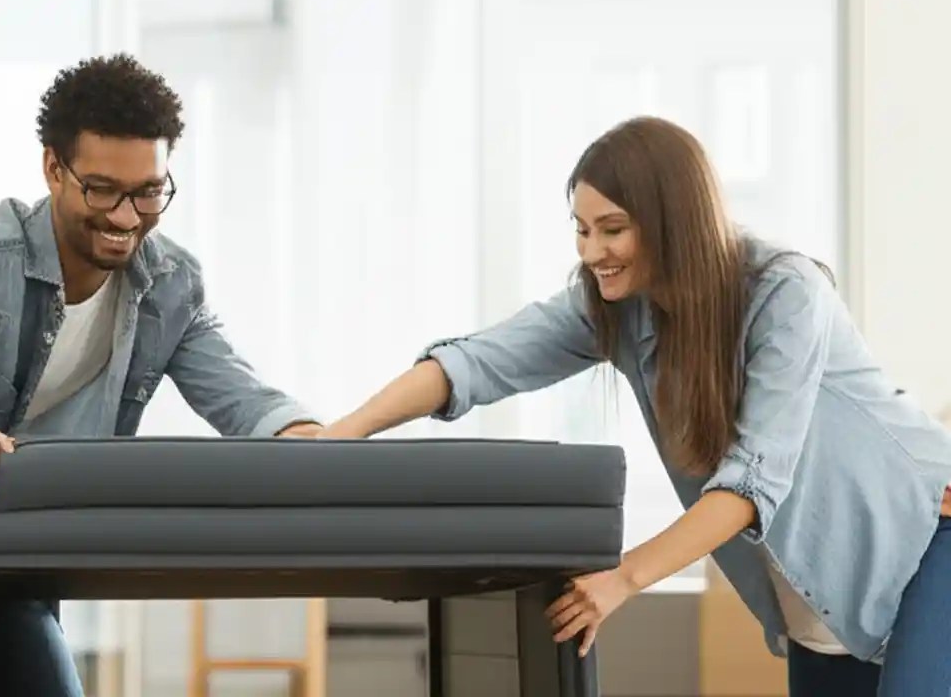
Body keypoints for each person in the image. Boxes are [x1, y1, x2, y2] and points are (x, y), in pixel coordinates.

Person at [318, 116, 951, 696]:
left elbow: (753, 480)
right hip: (820, 594)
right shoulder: (615, 305)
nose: (592, 252)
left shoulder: (785, 293)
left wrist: (622, 578)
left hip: (924, 537)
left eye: (613, 229)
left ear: (672, 221)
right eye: (582, 229)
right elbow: (481, 361)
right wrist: (344, 434)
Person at [0, 53, 321, 697]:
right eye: (102, 189)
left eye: (149, 192)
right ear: (53, 168)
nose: (127, 217)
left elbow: (243, 397)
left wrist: (308, 437)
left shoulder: (171, 285)